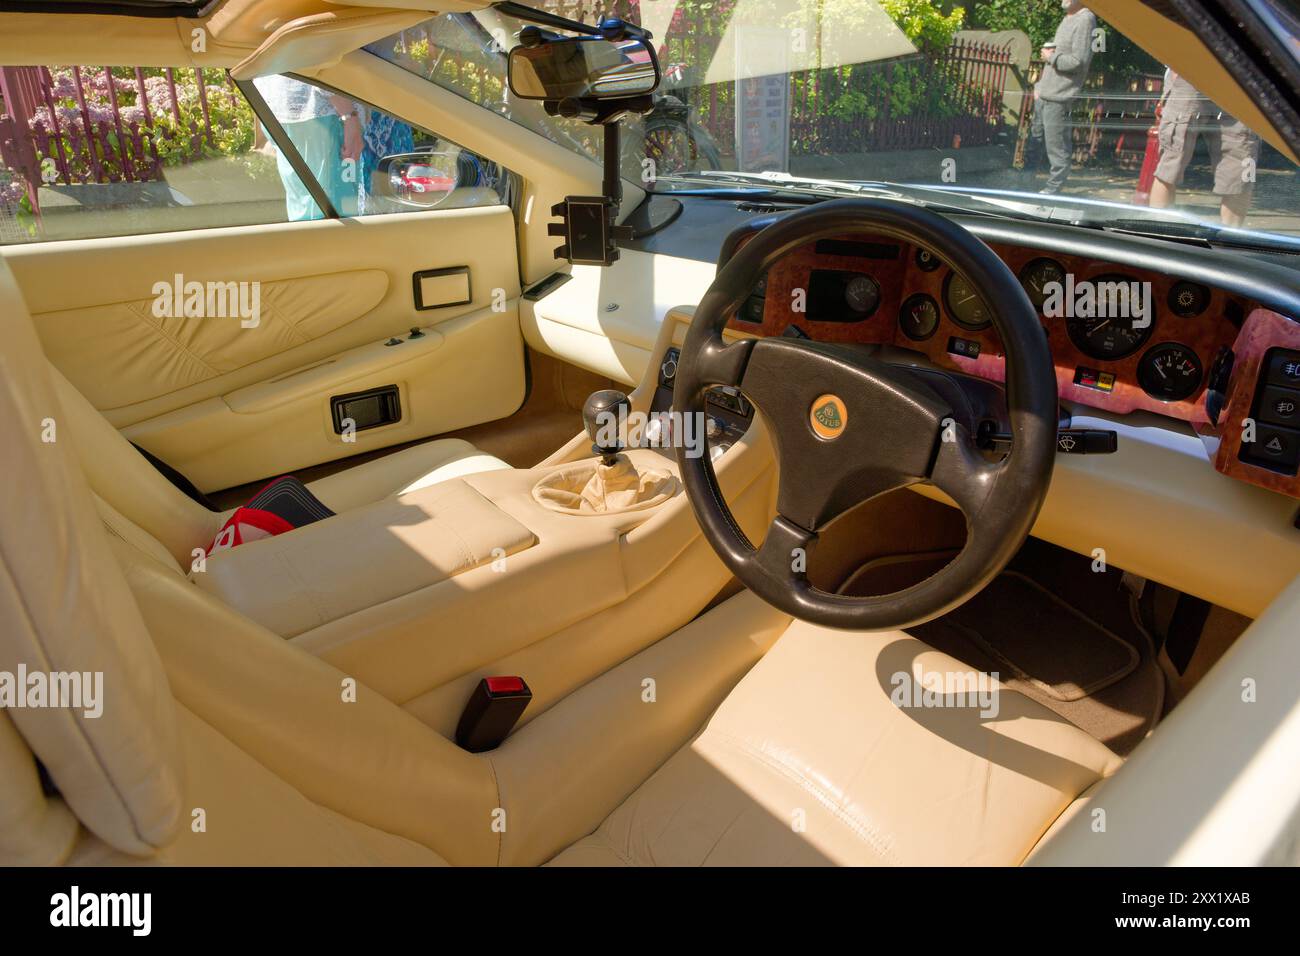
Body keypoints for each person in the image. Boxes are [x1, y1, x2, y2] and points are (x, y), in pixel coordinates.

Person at [1148, 68, 1260, 227]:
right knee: (1171, 163)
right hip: (1191, 69)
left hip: (1244, 78)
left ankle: (1228, 245)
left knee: (1240, 169)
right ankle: (1155, 236)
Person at [253, 75, 361, 220]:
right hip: (319, 110)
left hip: (277, 103)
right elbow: (318, 62)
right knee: (336, 210)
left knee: (304, 206)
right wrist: (349, 116)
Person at [1031, 1, 1098, 195]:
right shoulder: (1068, 17)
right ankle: (1025, 185)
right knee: (1034, 143)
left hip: (1059, 97)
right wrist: (1039, 87)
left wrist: (1051, 58)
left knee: (1056, 149)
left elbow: (1079, 61)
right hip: (1044, 94)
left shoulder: (1085, 19)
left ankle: (1053, 192)